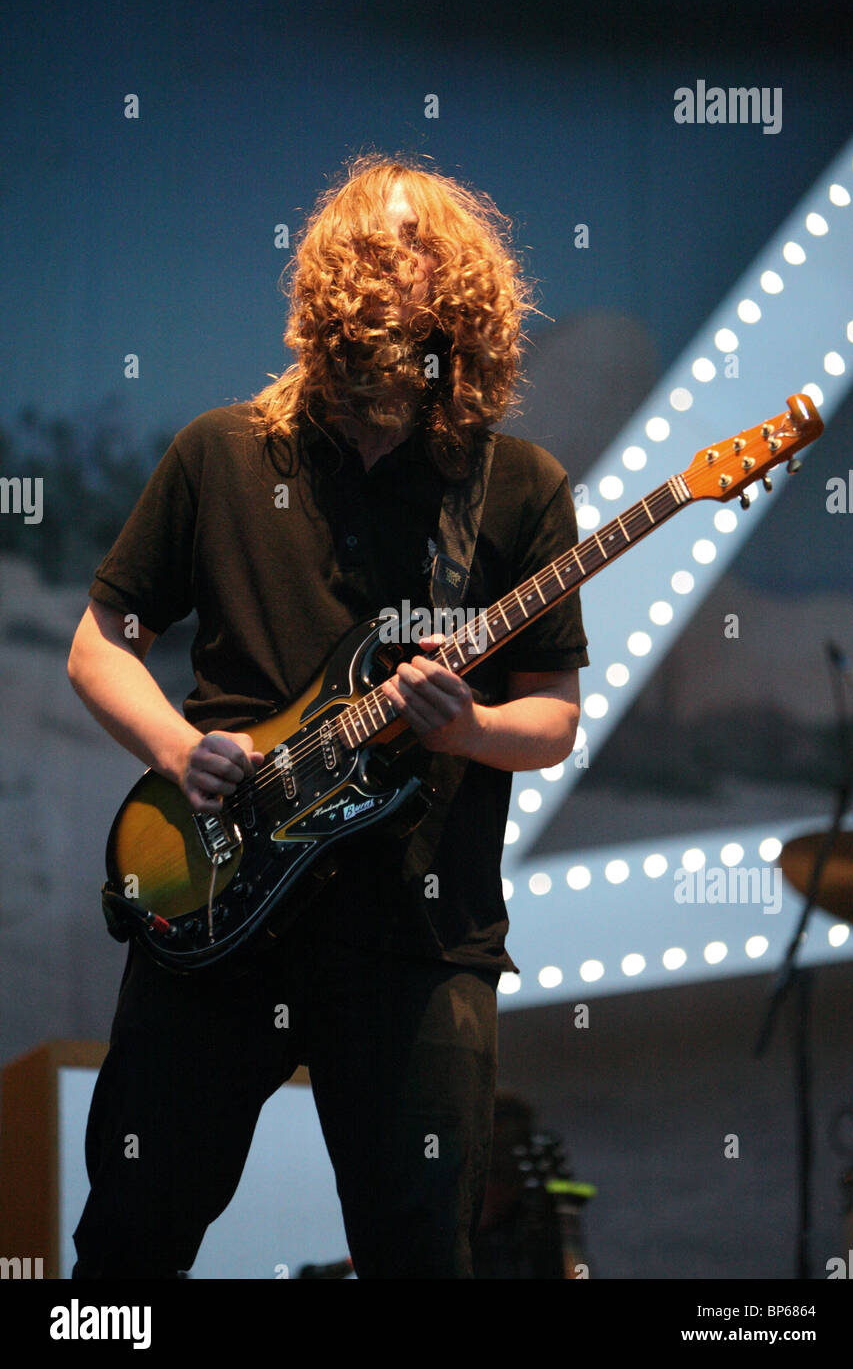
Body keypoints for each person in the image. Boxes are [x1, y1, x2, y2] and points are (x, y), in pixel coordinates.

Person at [66, 154, 589, 1279]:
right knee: (126, 1241)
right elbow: (96, 642)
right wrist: (173, 745)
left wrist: (465, 732)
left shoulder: (515, 488)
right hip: (215, 896)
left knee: (419, 1255)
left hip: (414, 933)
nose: (400, 279)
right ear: (333, 288)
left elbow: (551, 715)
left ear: (463, 306)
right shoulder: (221, 451)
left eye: (425, 263)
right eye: (379, 257)